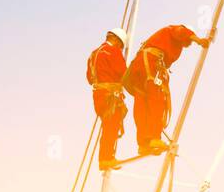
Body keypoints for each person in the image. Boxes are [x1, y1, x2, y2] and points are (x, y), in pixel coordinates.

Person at [124, 24, 210, 155]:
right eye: (188, 42)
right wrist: (199, 40)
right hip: (152, 63)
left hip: (139, 67)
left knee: (142, 104)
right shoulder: (175, 30)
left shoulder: (163, 37)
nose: (188, 45)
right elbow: (183, 32)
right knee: (157, 99)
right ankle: (154, 137)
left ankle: (144, 143)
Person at [86, 26, 128, 170]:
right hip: (110, 96)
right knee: (111, 126)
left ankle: (106, 158)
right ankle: (106, 158)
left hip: (98, 96)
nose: (120, 49)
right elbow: (124, 74)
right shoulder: (112, 51)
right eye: (121, 46)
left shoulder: (93, 53)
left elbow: (90, 78)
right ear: (116, 40)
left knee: (107, 126)